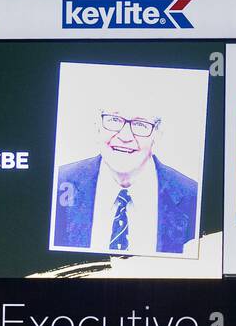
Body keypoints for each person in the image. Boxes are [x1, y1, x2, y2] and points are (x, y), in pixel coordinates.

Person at [51, 102, 200, 255]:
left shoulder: (193, 198)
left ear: (157, 135)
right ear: (98, 127)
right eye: (114, 120)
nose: (125, 136)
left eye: (140, 124)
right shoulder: (59, 185)